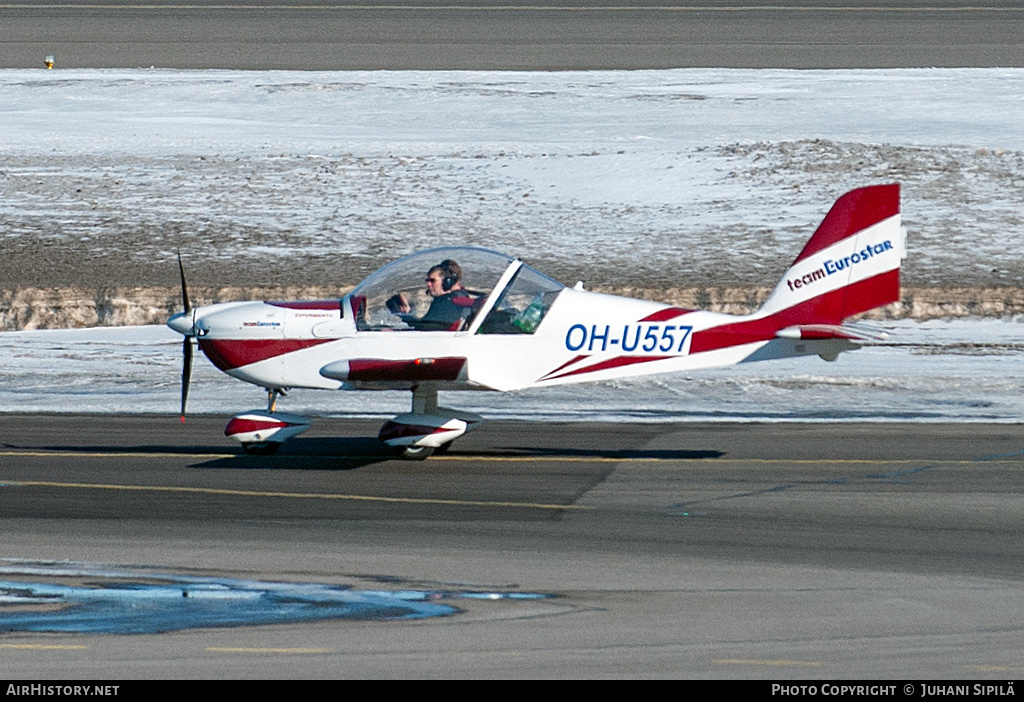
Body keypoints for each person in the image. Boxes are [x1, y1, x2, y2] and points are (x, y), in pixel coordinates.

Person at [387, 259, 475, 330]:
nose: (428, 284)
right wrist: (406, 313)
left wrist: (404, 316)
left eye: (432, 281)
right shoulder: (450, 299)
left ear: (447, 282)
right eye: (428, 281)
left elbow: (426, 329)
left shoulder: (450, 302)